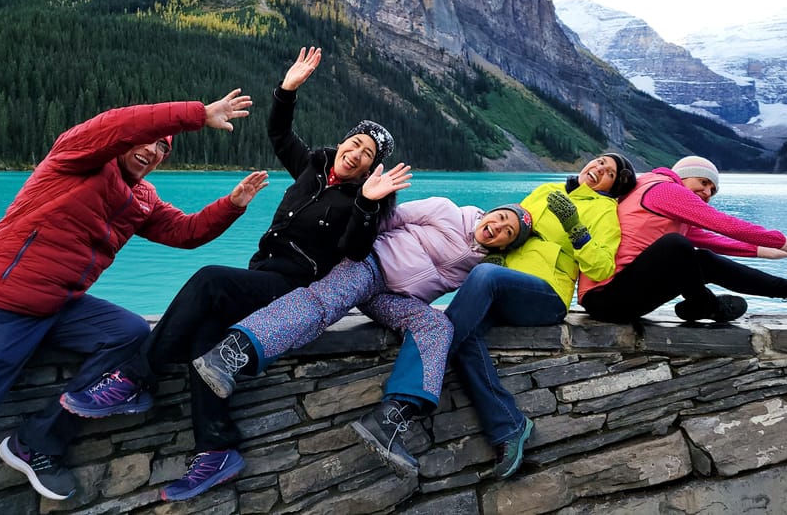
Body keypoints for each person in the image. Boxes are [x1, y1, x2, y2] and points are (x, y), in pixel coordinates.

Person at [57, 46, 411, 502]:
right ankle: (217, 449)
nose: (357, 154)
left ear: (372, 167)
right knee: (206, 335)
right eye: (355, 143)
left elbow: (354, 251)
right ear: (343, 143)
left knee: (209, 279)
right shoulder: (313, 167)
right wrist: (288, 88)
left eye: (367, 154)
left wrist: (366, 203)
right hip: (262, 274)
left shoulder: (364, 201)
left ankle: (136, 376)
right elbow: (280, 132)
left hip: (292, 287)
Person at [0, 88, 267, 512]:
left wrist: (230, 206)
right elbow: (119, 124)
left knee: (130, 333)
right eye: (151, 138)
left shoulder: (142, 198)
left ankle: (36, 442)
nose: (153, 150)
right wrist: (193, 116)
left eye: (162, 148)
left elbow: (185, 232)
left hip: (56, 308)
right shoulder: (80, 156)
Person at [190, 198, 534, 477]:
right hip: (369, 264)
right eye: (502, 217)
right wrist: (344, 253)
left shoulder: (479, 266)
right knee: (326, 301)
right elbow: (388, 219)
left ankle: (390, 420)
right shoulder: (445, 210)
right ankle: (234, 351)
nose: (499, 227)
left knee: (437, 327)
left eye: (508, 231)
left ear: (506, 244)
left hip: (395, 300)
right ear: (489, 211)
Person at [444, 152, 637, 480]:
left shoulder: (605, 211)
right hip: (504, 285)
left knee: (483, 277)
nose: (599, 169)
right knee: (467, 334)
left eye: (608, 172)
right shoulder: (547, 190)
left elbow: (603, 266)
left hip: (546, 295)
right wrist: (502, 254)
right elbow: (514, 224)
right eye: (599, 162)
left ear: (612, 187)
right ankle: (509, 428)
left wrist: (576, 229)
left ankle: (427, 360)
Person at [579, 155, 787, 325]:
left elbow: (716, 241)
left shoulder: (662, 203)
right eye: (703, 183)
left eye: (712, 190)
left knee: (698, 256)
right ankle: (705, 305)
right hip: (606, 299)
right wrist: (786, 242)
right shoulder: (664, 189)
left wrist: (770, 251)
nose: (706, 192)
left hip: (625, 295)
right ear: (683, 176)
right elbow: (723, 225)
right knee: (677, 247)